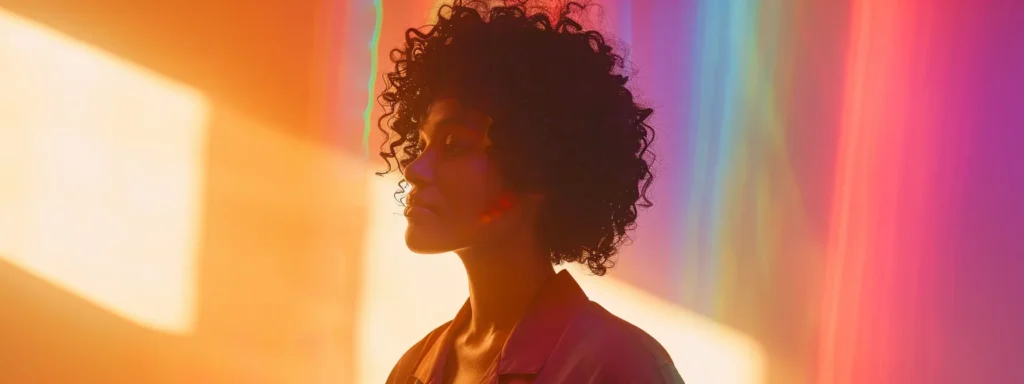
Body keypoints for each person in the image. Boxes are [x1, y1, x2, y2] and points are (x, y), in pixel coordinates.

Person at [376, 1, 684, 382]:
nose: (414, 168)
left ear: (536, 166)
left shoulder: (619, 366)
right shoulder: (411, 370)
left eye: (453, 143)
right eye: (421, 144)